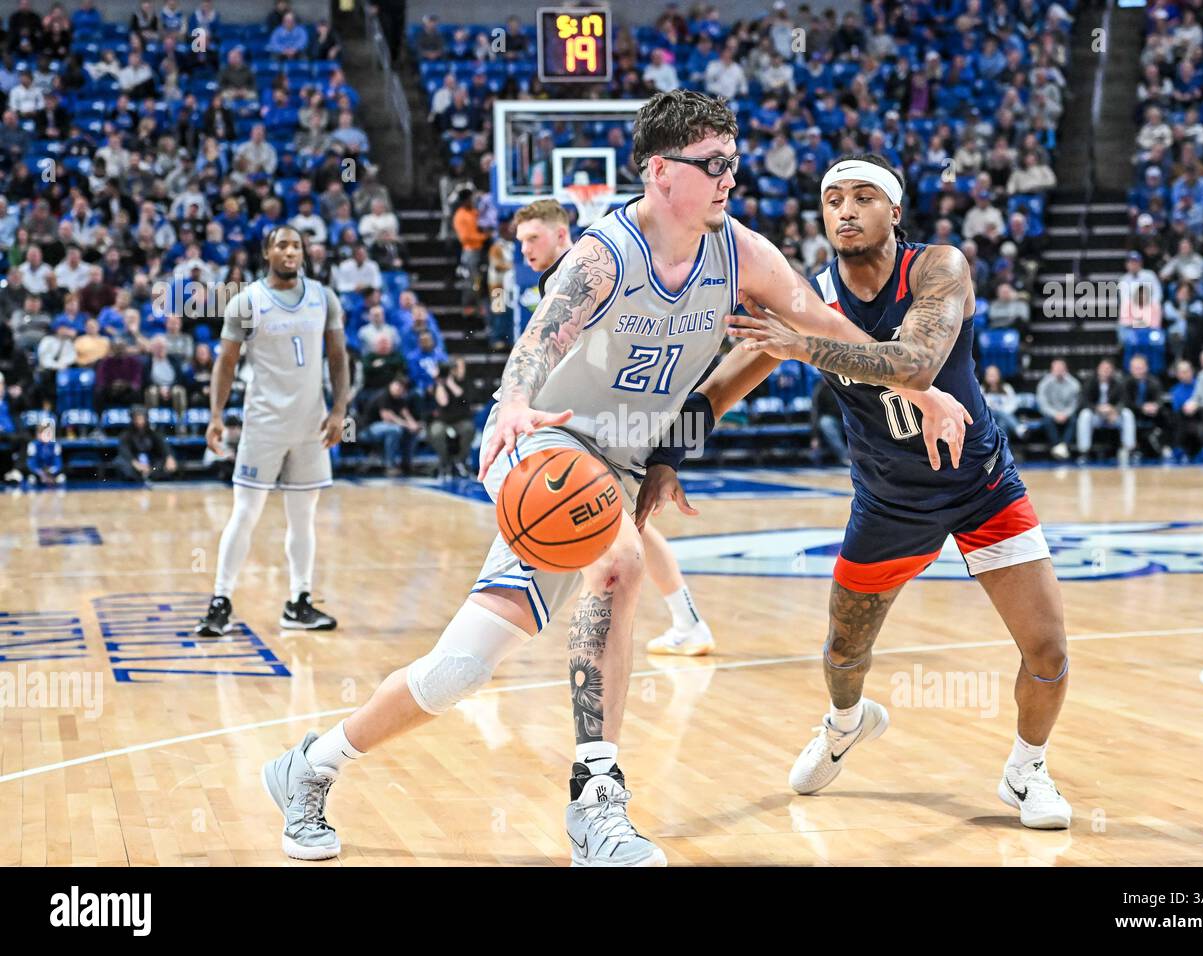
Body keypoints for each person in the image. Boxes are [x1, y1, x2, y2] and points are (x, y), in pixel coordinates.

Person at [260, 91, 970, 865]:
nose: (732, 176)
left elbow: (827, 326)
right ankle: (596, 801)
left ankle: (312, 763)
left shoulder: (744, 252)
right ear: (663, 174)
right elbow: (537, 340)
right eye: (715, 164)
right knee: (621, 559)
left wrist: (926, 391)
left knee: (458, 670)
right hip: (543, 439)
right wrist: (513, 402)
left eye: (733, 161)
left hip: (620, 460)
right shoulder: (605, 253)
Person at [683, 151, 1072, 829]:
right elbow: (716, 394)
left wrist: (800, 347)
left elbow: (917, 364)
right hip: (889, 502)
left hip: (980, 485)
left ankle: (1026, 771)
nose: (847, 211)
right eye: (834, 200)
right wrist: (656, 456)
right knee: (842, 653)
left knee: (1048, 651)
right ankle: (845, 723)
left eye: (864, 197)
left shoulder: (939, 267)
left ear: (894, 210)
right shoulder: (807, 300)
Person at [513, 197, 716, 657]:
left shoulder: (588, 269)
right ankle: (688, 621)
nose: (525, 248)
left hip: (608, 427)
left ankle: (490, 650)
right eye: (520, 241)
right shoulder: (577, 274)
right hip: (621, 423)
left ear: (562, 234)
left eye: (533, 237)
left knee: (562, 526)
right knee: (631, 528)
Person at [194, 226, 350, 637]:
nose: (290, 251)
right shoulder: (246, 302)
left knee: (304, 519)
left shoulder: (323, 297)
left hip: (310, 426)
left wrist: (339, 410)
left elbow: (338, 357)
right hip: (263, 424)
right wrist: (215, 415)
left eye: (296, 245)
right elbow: (225, 364)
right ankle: (220, 601)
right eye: (282, 245)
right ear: (267, 252)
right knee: (245, 513)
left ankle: (299, 602)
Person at [1076, 358, 1136, 465]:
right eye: (1103, 368)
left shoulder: (1118, 383)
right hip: (1096, 416)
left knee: (1128, 414)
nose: (1105, 371)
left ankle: (1130, 449)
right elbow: (1084, 401)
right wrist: (1097, 408)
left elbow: (1124, 401)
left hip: (1112, 417)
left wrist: (1115, 410)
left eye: (1108, 369)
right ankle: (1084, 452)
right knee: (1085, 415)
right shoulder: (1090, 382)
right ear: (1098, 369)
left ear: (1112, 371)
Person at [361, 376, 421, 477]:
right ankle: (390, 466)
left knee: (412, 432)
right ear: (391, 385)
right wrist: (407, 425)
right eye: (397, 385)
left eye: (402, 387)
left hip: (384, 427)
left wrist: (413, 425)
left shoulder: (399, 398)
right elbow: (387, 417)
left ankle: (406, 464)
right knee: (395, 430)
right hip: (368, 429)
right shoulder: (383, 395)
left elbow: (405, 413)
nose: (399, 389)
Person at [426, 356, 475, 478]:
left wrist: (450, 382)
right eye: (453, 367)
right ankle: (445, 461)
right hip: (443, 420)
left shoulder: (467, 382)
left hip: (461, 420)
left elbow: (462, 396)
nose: (455, 370)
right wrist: (440, 383)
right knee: (436, 432)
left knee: (468, 429)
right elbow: (443, 402)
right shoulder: (439, 383)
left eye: (457, 367)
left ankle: (460, 460)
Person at [115, 405, 177, 483]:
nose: (140, 421)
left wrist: (169, 458)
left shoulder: (154, 433)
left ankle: (154, 476)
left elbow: (164, 446)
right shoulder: (126, 435)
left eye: (142, 418)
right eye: (137, 418)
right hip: (135, 466)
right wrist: (136, 464)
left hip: (152, 466)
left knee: (165, 463)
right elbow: (124, 452)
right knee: (120, 462)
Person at [1035, 358, 1080, 461]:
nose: (1059, 370)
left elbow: (1075, 404)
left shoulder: (1074, 384)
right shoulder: (1044, 384)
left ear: (1066, 369)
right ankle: (1058, 447)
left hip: (1067, 414)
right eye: (1056, 368)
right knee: (1047, 420)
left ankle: (1063, 446)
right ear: (1052, 370)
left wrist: (1065, 414)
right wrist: (1055, 414)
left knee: (1073, 420)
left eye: (1061, 368)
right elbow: (1042, 403)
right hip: (1051, 414)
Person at [25, 419, 64, 486]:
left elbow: (58, 461)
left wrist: (52, 471)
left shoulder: (55, 445)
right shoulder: (33, 445)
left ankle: (53, 478)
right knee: (32, 478)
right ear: (38, 435)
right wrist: (40, 473)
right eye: (43, 433)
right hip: (38, 470)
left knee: (61, 477)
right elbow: (31, 462)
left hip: (51, 469)